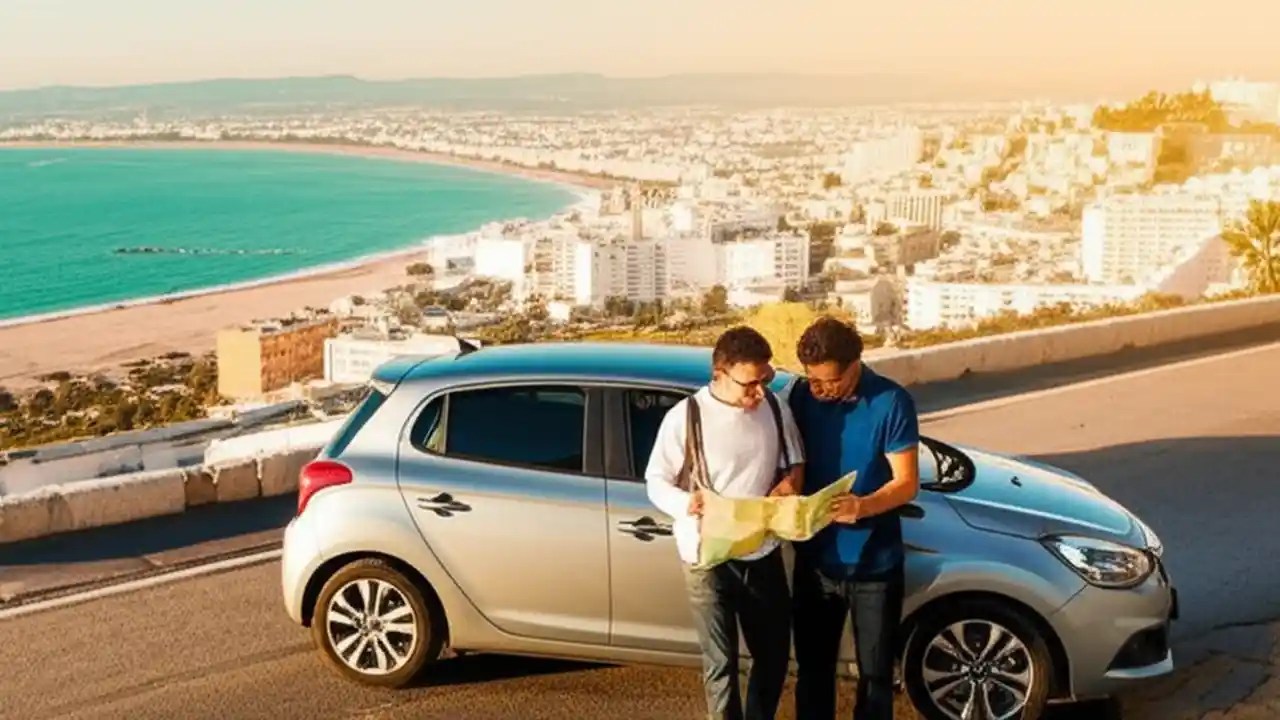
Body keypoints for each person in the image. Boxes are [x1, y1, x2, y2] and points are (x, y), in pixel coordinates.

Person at [645, 325, 806, 720]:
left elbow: (795, 461)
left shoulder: (774, 407)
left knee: (772, 658)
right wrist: (687, 503)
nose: (758, 392)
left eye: (764, 380)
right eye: (749, 384)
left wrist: (789, 484)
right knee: (721, 665)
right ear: (719, 373)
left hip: (762, 550)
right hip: (707, 558)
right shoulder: (686, 417)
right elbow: (655, 480)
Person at [788, 316, 921, 720]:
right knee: (812, 673)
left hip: (874, 566)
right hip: (814, 563)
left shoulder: (891, 401)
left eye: (830, 381)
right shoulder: (800, 396)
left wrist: (860, 507)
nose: (821, 390)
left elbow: (906, 483)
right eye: (813, 380)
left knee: (876, 677)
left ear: (854, 365)